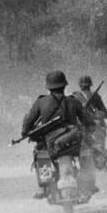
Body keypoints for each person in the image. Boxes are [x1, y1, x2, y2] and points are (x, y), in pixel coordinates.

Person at [21, 71, 95, 200]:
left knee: (39, 153)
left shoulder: (41, 102)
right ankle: (89, 184)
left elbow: (28, 122)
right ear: (65, 85)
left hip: (51, 147)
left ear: (48, 87)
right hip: (73, 144)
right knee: (87, 152)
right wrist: (90, 127)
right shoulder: (74, 101)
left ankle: (43, 187)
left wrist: (25, 132)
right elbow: (88, 121)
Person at [72, 75, 107, 170]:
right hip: (94, 125)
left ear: (80, 85)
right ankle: (101, 162)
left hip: (79, 126)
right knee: (100, 141)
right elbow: (103, 111)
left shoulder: (75, 96)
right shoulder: (95, 96)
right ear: (90, 85)